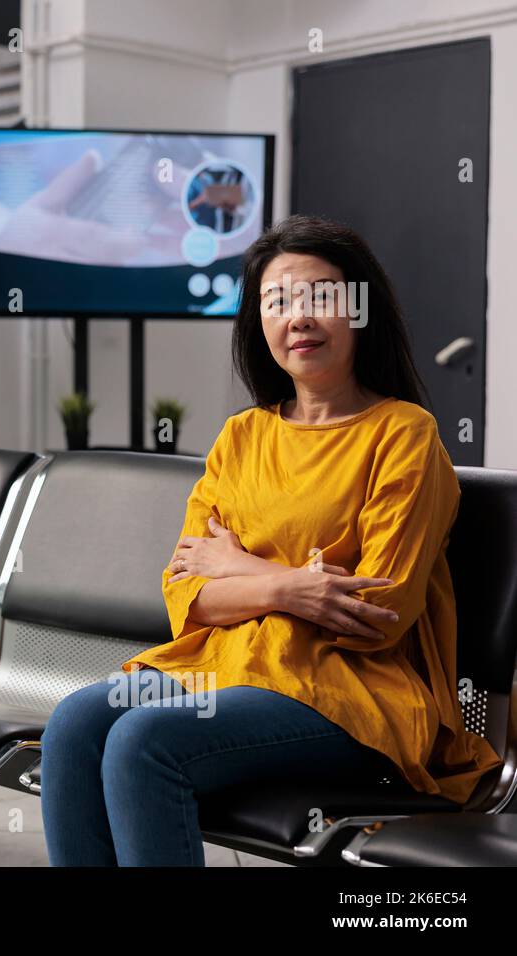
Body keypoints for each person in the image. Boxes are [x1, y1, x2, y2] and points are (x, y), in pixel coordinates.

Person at [39, 215, 503, 866]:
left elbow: (377, 614)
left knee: (145, 739)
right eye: (277, 302)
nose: (299, 318)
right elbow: (186, 594)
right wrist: (295, 586)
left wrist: (236, 567)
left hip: (350, 694)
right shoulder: (242, 437)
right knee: (75, 724)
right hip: (225, 669)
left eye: (321, 297)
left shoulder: (404, 435)